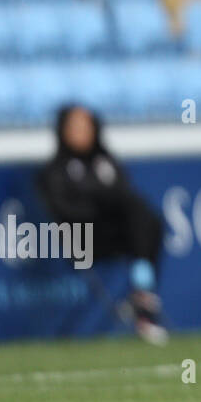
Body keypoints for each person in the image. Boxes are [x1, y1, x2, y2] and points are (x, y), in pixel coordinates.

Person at [35, 105, 168, 345]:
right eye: (74, 127)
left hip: (117, 236)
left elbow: (125, 196)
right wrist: (100, 199)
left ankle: (142, 290)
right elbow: (65, 211)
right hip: (81, 240)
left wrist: (98, 196)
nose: (81, 132)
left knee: (147, 220)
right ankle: (143, 291)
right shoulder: (56, 170)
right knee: (132, 211)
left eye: (86, 126)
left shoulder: (105, 162)